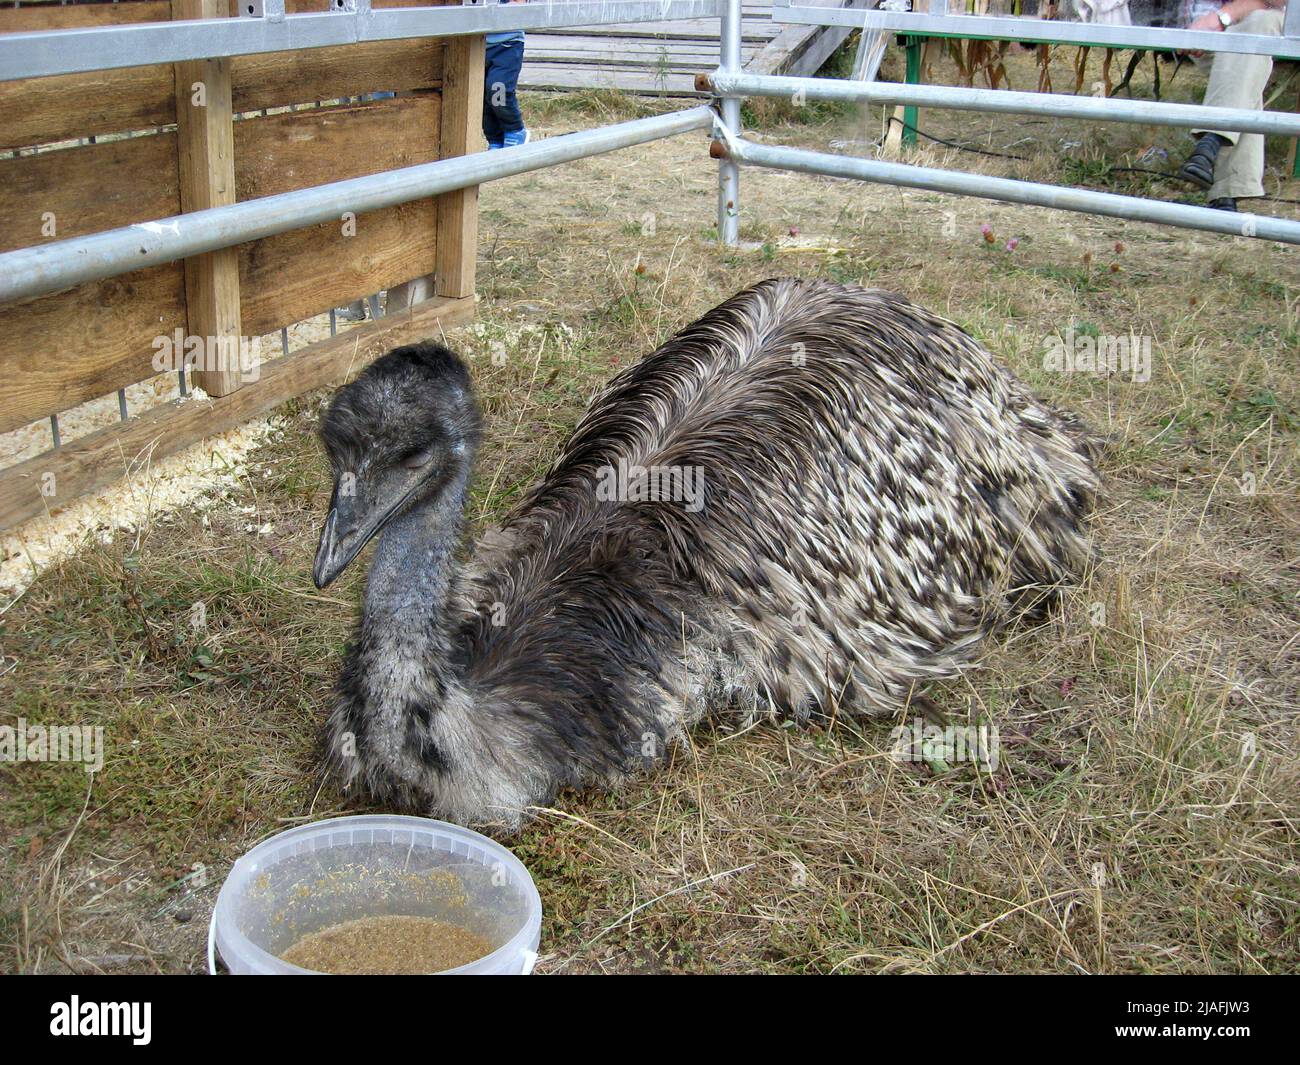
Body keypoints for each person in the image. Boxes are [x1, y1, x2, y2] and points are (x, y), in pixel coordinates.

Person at [1177, 0, 1287, 212]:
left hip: (1268, 30)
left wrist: (1223, 16)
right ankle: (1226, 189)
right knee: (1245, 73)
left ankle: (1212, 138)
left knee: (1259, 25)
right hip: (1202, 34)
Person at [484, 0, 529, 150]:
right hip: (476, 41)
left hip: (507, 41)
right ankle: (494, 139)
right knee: (480, 95)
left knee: (498, 87)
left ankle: (514, 130)